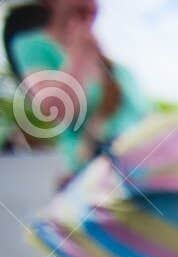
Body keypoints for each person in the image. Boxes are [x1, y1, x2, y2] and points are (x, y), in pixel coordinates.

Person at [5, 0, 148, 170]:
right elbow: (56, 107)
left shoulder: (117, 68)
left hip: (146, 164)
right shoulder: (32, 45)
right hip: (99, 172)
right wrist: (80, 54)